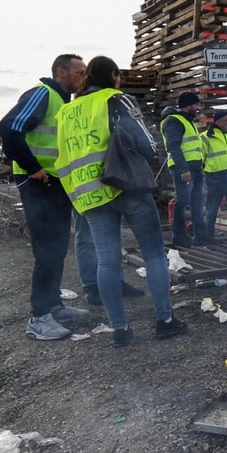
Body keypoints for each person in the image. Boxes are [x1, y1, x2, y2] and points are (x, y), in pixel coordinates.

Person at [56, 56, 187, 347]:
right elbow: (147, 144)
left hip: (89, 194)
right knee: (153, 254)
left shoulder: (66, 111)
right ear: (114, 75)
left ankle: (120, 330)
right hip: (125, 186)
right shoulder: (117, 99)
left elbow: (63, 156)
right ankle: (164, 321)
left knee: (108, 261)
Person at [0, 53, 94, 340]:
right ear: (61, 72)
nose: (83, 76)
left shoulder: (64, 103)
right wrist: (33, 168)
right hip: (40, 184)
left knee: (57, 246)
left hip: (56, 184)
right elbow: (9, 128)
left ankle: (53, 305)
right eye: (79, 71)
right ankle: (39, 318)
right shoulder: (43, 95)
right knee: (47, 250)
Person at [160, 91, 207, 246]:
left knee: (197, 202)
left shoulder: (187, 120)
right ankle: (179, 234)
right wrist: (183, 169)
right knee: (183, 201)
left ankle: (201, 235)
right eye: (196, 104)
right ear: (189, 105)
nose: (198, 107)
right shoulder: (174, 121)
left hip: (195, 168)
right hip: (185, 169)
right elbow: (173, 146)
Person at [201, 110, 227, 240]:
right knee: (212, 210)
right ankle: (208, 237)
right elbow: (200, 158)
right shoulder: (206, 137)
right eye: (226, 121)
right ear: (217, 122)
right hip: (215, 177)